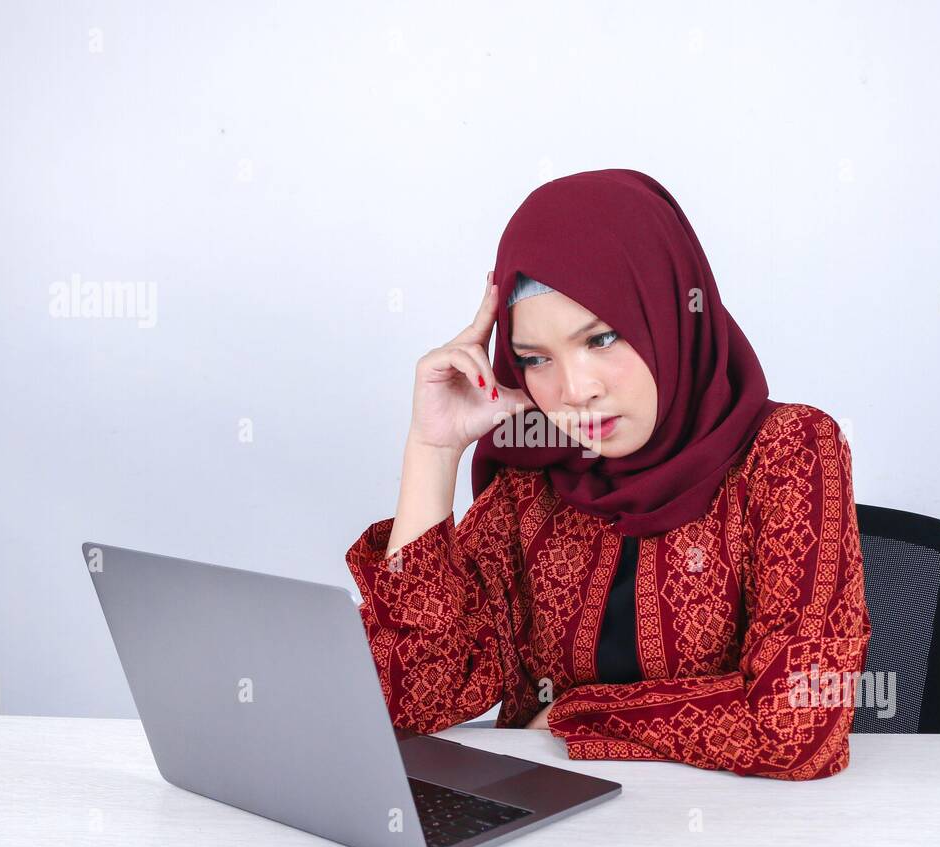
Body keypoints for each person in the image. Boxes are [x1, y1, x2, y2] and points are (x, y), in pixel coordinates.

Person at [345, 169, 872, 780]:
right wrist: (432, 450)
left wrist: (576, 715)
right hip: (554, 829)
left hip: (739, 835)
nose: (574, 392)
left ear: (672, 311)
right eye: (536, 359)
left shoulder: (788, 452)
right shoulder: (534, 477)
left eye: (601, 338)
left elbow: (799, 726)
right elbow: (412, 696)